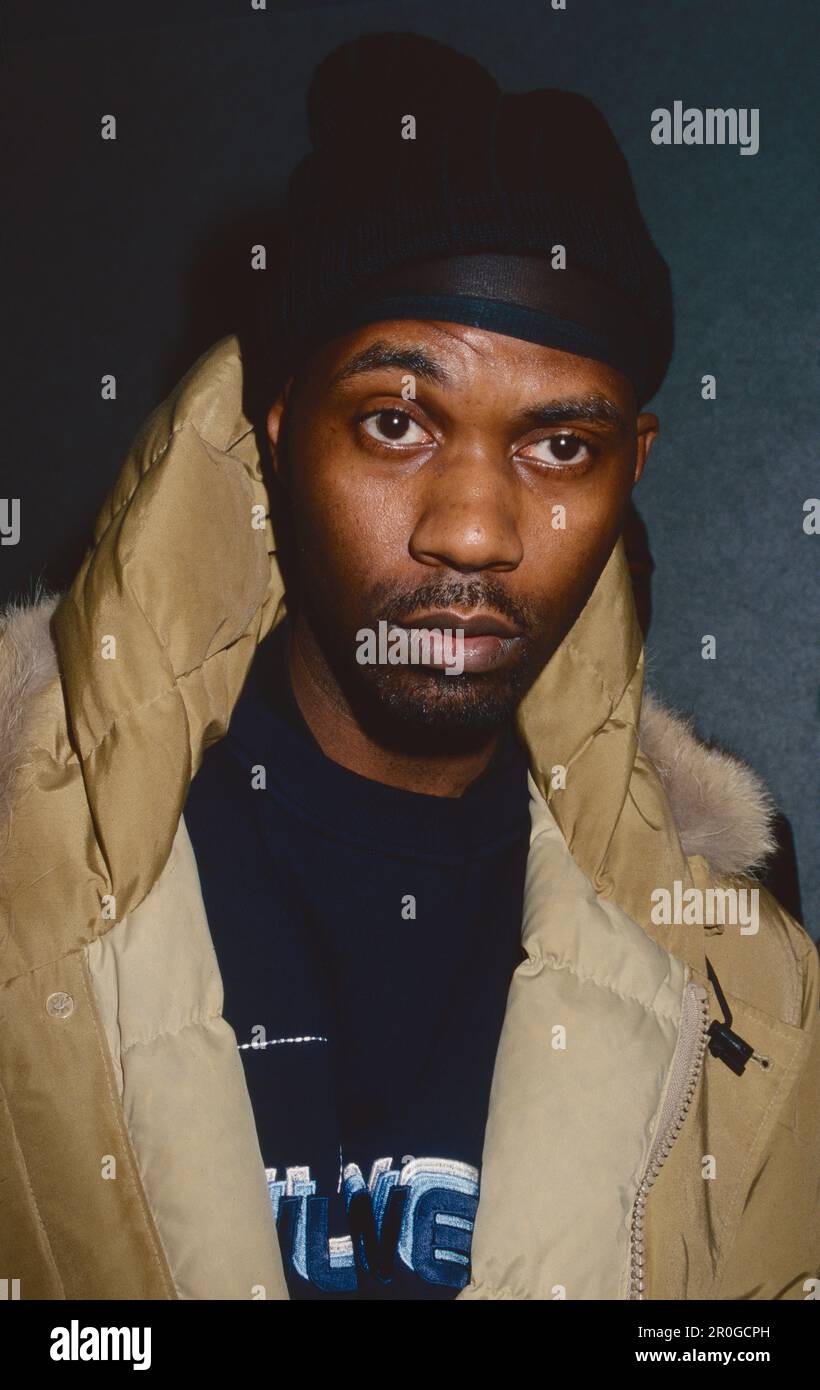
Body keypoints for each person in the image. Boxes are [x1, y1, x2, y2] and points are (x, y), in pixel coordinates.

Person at [0, 31, 817, 1302]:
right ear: (275, 431)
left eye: (559, 447)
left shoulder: (751, 989)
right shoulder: (19, 872)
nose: (475, 530)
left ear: (633, 468)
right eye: (395, 421)